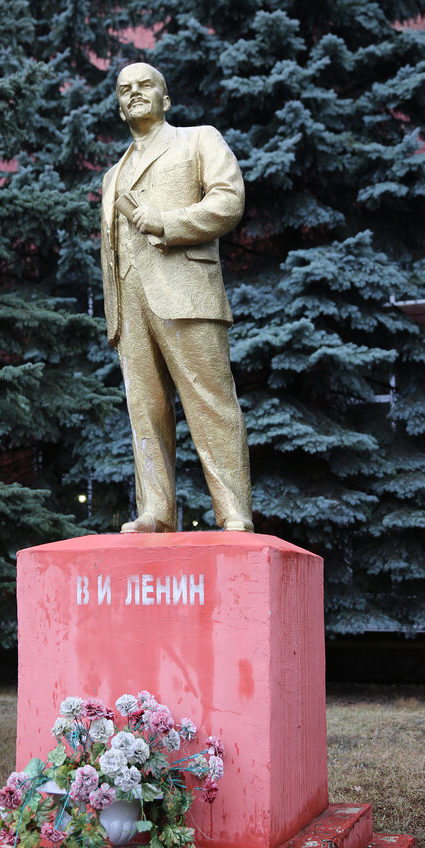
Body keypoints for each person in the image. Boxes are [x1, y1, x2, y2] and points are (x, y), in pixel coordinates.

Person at [100, 62, 253, 534]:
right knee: (144, 410)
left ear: (166, 100)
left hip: (186, 292)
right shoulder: (112, 176)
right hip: (130, 306)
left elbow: (228, 200)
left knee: (210, 402)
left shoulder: (198, 140)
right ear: (120, 105)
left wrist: (168, 222)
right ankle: (157, 511)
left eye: (146, 85)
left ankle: (234, 514)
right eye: (125, 89)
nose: (135, 93)